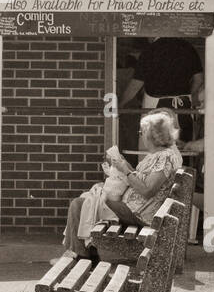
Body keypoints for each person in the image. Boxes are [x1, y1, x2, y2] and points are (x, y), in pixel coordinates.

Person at [59, 110, 182, 259]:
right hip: (133, 207)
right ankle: (82, 253)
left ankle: (81, 256)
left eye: (142, 132)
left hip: (139, 213)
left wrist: (126, 171)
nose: (140, 135)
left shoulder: (164, 157)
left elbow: (147, 190)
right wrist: (124, 165)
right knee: (86, 200)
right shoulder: (158, 155)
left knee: (79, 204)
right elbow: (142, 179)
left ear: (152, 135)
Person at [120, 37, 203, 111]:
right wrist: (186, 96)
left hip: (155, 108)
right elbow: (199, 79)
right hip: (183, 108)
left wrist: (120, 104)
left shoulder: (150, 50)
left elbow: (135, 86)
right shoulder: (188, 48)